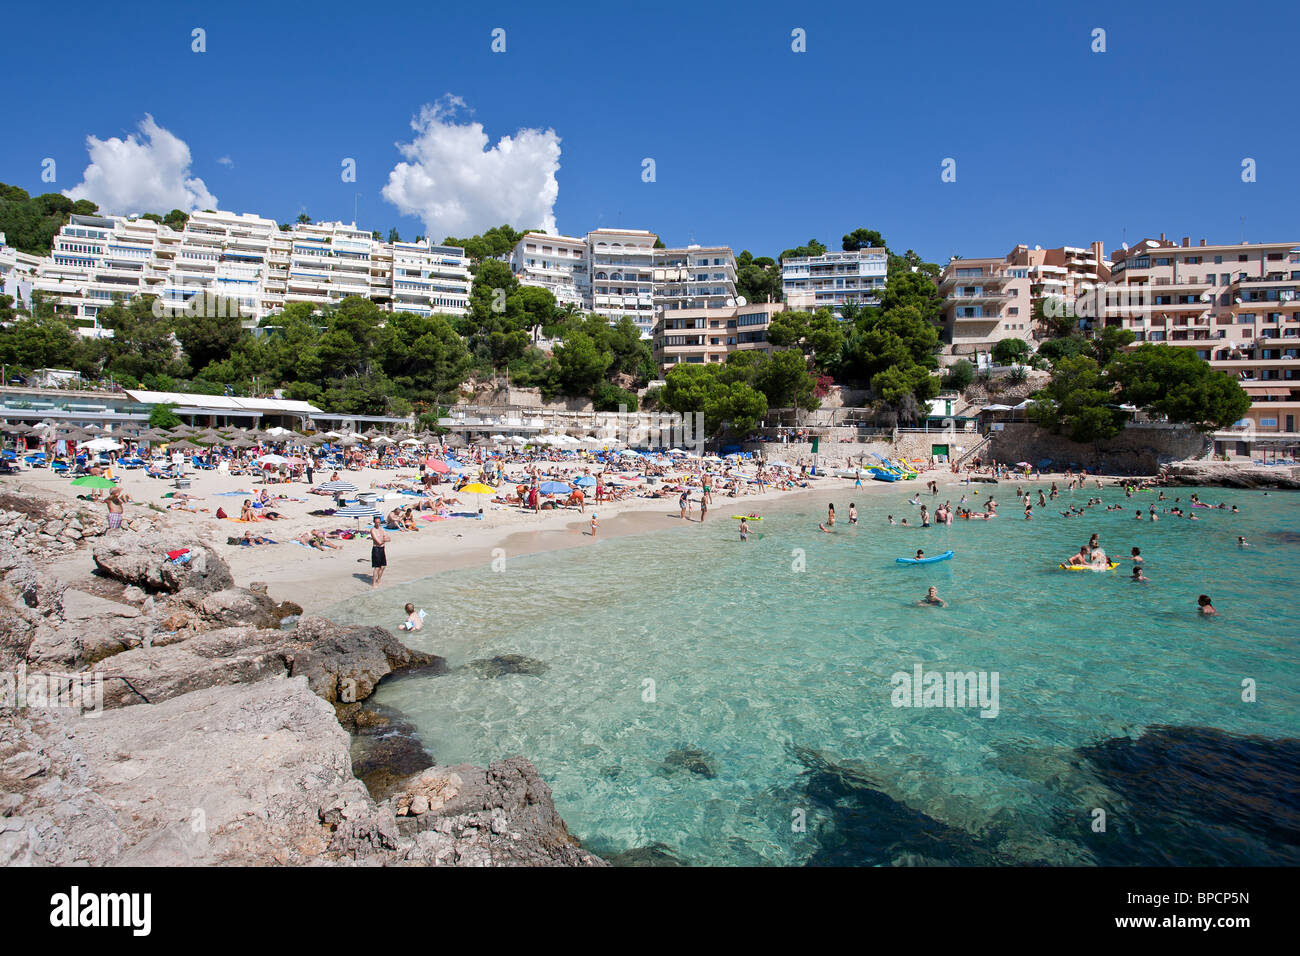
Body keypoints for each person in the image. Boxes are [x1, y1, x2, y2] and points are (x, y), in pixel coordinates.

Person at [370, 516, 389, 589]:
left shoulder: (382, 529)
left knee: (383, 566)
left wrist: (384, 539)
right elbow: (378, 542)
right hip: (376, 549)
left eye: (379, 522)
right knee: (377, 567)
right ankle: (373, 583)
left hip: (382, 549)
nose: (378, 524)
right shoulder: (373, 530)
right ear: (374, 522)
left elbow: (389, 538)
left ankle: (379, 579)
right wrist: (384, 539)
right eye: (376, 522)